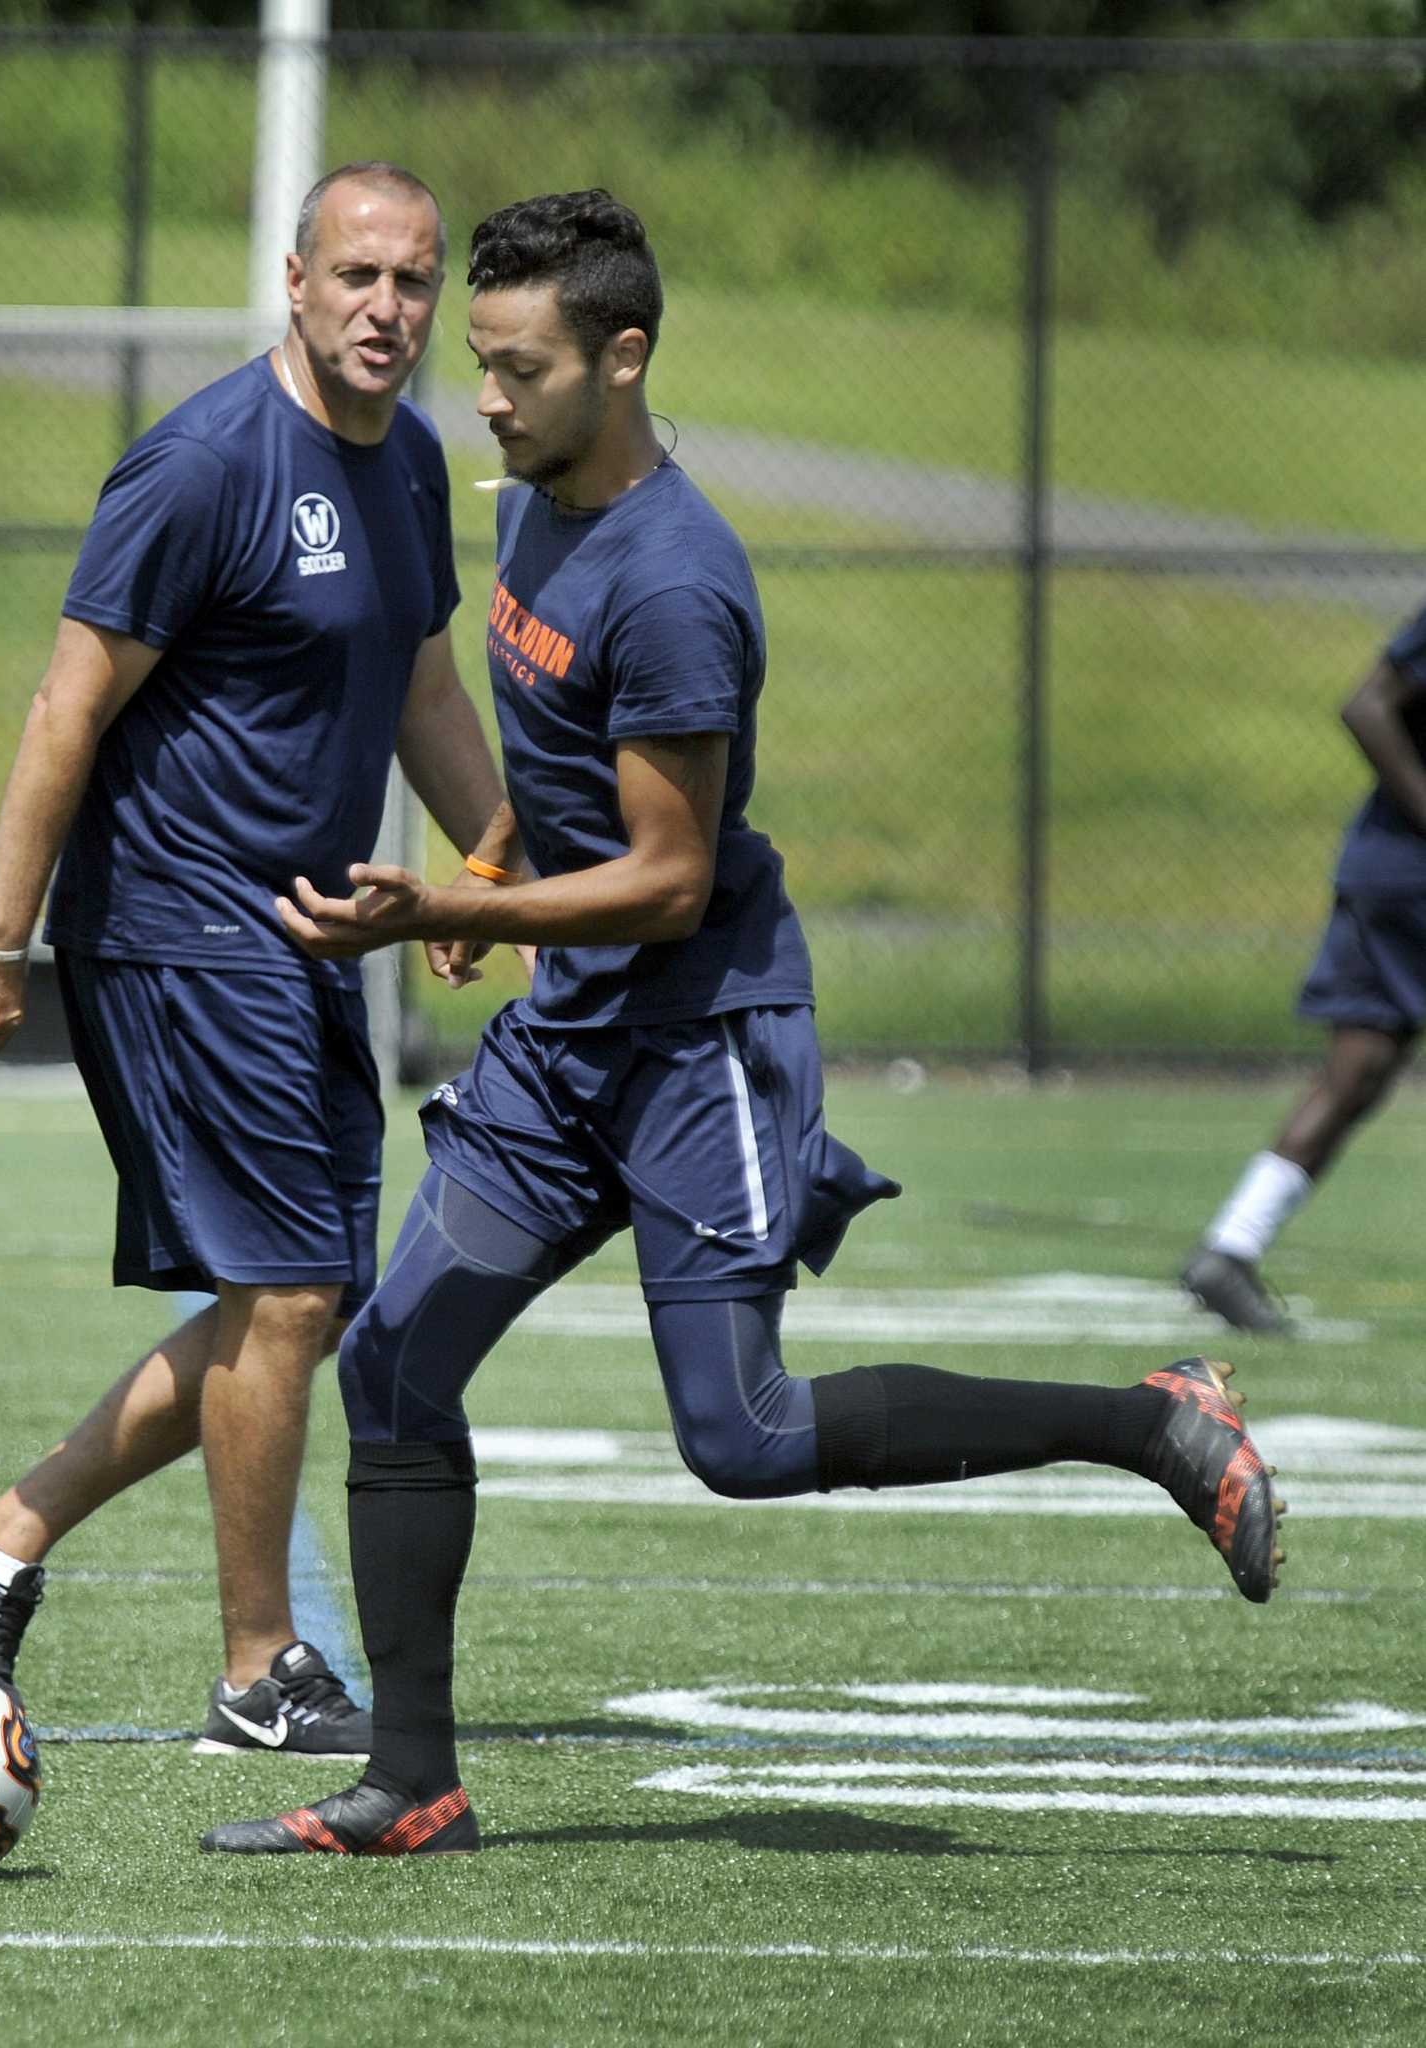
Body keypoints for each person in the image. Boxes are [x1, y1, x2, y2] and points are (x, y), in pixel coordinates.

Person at [199, 190, 1288, 1858]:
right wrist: (498, 847)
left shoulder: (677, 583)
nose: (477, 392)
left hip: (695, 1034)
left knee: (745, 1436)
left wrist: (448, 904)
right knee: (399, 1359)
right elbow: (567, 796)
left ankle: (1150, 1419)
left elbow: (663, 879)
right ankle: (408, 1778)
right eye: (475, 359)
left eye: (514, 365)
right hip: (575, 1036)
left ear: (618, 360)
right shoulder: (538, 500)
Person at [0, 162, 511, 1760]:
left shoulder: (413, 466)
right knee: (291, 1291)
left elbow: (425, 687)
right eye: (357, 276)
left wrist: (491, 866)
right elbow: (65, 707)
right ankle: (256, 1669)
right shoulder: (204, 462)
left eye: (414, 282)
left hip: (312, 935)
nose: (387, 309)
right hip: (178, 925)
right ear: (293, 283)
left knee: (291, 1306)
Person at [1181, 615, 1426, 1334]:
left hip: (1397, 878)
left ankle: (1229, 1249)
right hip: (1404, 879)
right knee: (1358, 1067)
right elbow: (1367, 705)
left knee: (1362, 1069)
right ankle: (1229, 1249)